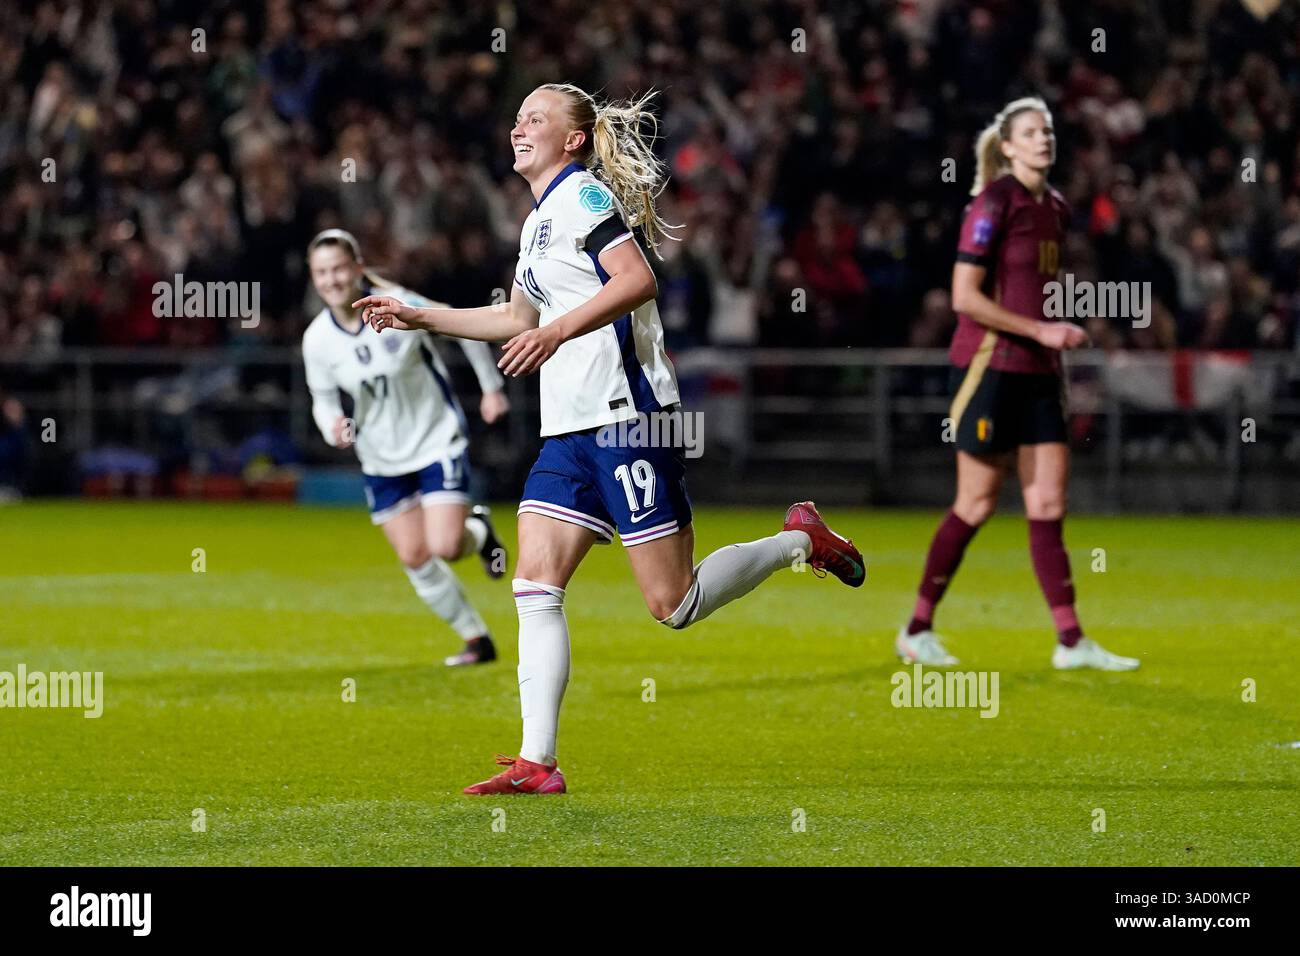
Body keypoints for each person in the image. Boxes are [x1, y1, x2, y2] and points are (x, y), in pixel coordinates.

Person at [354, 84, 865, 794]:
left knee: (673, 605)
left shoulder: (585, 197)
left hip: (629, 416)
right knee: (534, 583)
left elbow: (637, 280)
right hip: (568, 430)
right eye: (517, 115)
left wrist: (556, 331)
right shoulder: (537, 221)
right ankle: (539, 763)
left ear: (571, 140)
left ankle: (800, 539)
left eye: (536, 117)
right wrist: (421, 317)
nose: (518, 126)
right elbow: (514, 316)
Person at [896, 97, 1139, 672]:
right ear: (1006, 146)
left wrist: (1062, 329)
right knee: (976, 503)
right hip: (989, 366)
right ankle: (916, 627)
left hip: (1038, 373)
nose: (1043, 139)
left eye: (1048, 130)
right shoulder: (992, 202)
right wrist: (1039, 329)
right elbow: (964, 297)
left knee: (1049, 501)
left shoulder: (1055, 206)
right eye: (1030, 132)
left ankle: (1071, 640)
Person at [302, 228, 510, 667]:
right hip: (380, 456)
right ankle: (477, 640)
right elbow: (322, 404)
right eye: (322, 272)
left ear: (358, 268)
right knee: (414, 556)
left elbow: (461, 324)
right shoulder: (317, 341)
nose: (332, 280)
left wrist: (491, 388)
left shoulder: (399, 303)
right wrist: (332, 427)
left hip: (436, 440)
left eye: (339, 268)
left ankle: (480, 531)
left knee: (446, 545)